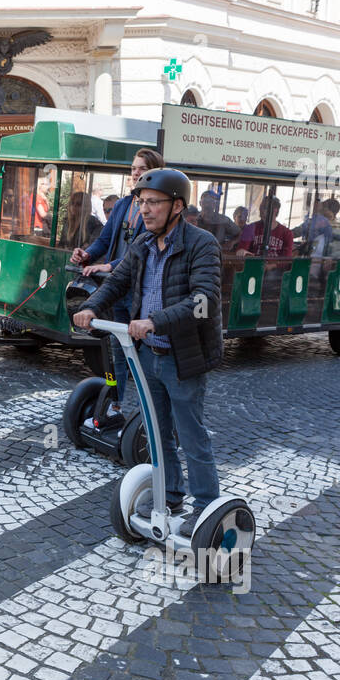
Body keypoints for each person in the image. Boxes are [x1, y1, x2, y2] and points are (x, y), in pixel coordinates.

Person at [72, 168, 223, 527]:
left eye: (153, 203)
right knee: (157, 433)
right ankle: (170, 495)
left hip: (183, 357)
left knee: (191, 435)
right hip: (146, 356)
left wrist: (156, 321)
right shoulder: (141, 245)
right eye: (141, 203)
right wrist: (91, 306)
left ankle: (206, 507)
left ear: (177, 206)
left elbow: (205, 301)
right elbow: (118, 281)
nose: (145, 210)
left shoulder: (201, 244)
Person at [68, 148, 162, 414]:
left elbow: (142, 251)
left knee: (144, 352)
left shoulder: (155, 210)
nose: (135, 173)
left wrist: (109, 265)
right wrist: (87, 254)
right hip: (118, 289)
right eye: (133, 168)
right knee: (116, 350)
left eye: (141, 169)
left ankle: (149, 410)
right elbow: (105, 240)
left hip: (142, 290)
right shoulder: (122, 205)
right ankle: (117, 404)